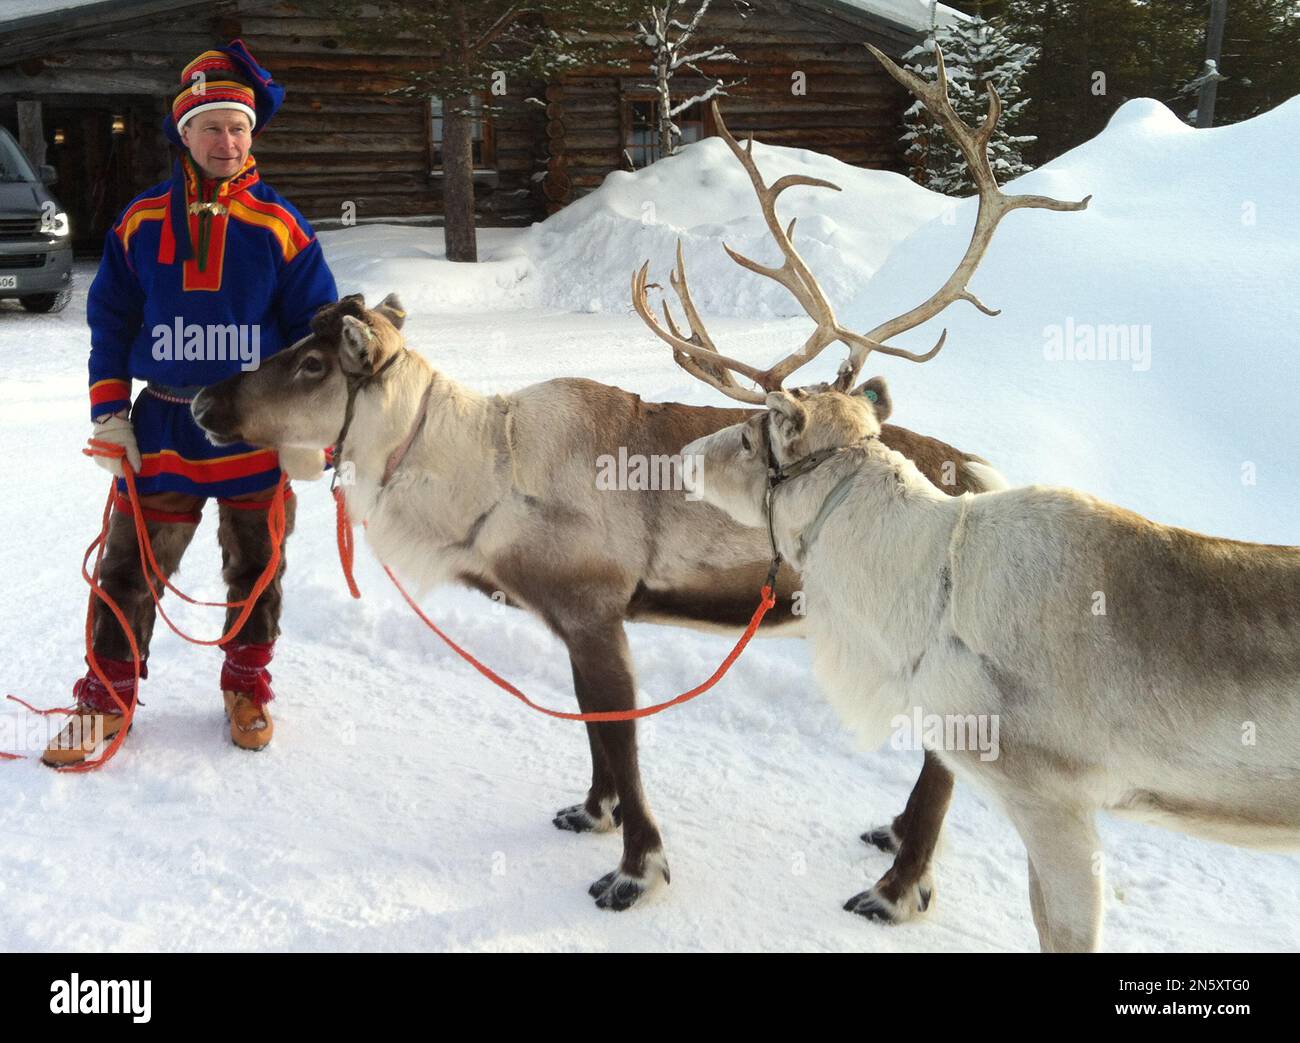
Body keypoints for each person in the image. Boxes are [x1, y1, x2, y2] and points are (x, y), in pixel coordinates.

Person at [44, 40, 338, 766]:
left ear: (251, 134)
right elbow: (110, 319)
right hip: (166, 424)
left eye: (238, 127)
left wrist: (311, 426)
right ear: (185, 134)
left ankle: (247, 685)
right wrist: (110, 412)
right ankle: (106, 696)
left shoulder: (282, 225)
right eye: (212, 127)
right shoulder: (139, 221)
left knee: (258, 564)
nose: (227, 141)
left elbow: (318, 333)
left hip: (253, 429)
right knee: (128, 566)